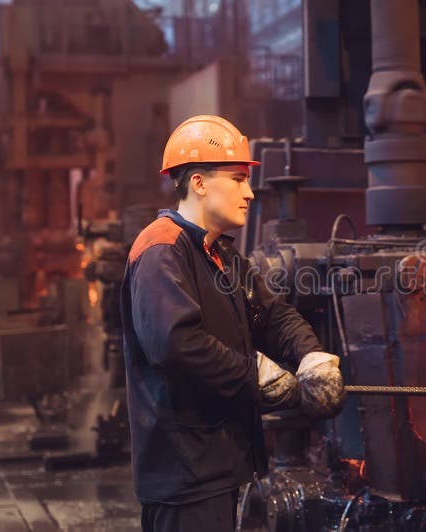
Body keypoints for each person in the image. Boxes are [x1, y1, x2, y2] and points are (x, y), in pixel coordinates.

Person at [120, 115, 346, 531]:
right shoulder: (161, 250)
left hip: (217, 466)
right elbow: (176, 344)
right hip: (184, 473)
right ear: (200, 183)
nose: (249, 192)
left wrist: (311, 356)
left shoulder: (219, 254)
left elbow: (273, 315)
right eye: (238, 179)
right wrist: (256, 375)